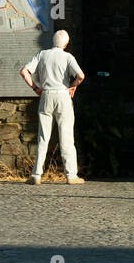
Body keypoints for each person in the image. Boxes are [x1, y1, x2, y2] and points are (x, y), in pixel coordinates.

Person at [19, 30, 85, 185]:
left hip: (46, 95)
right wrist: (73, 86)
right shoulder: (68, 57)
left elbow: (24, 71)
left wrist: (35, 88)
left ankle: (36, 174)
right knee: (66, 136)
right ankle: (71, 175)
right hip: (63, 95)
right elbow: (81, 76)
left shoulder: (42, 55)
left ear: (53, 41)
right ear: (66, 44)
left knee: (43, 137)